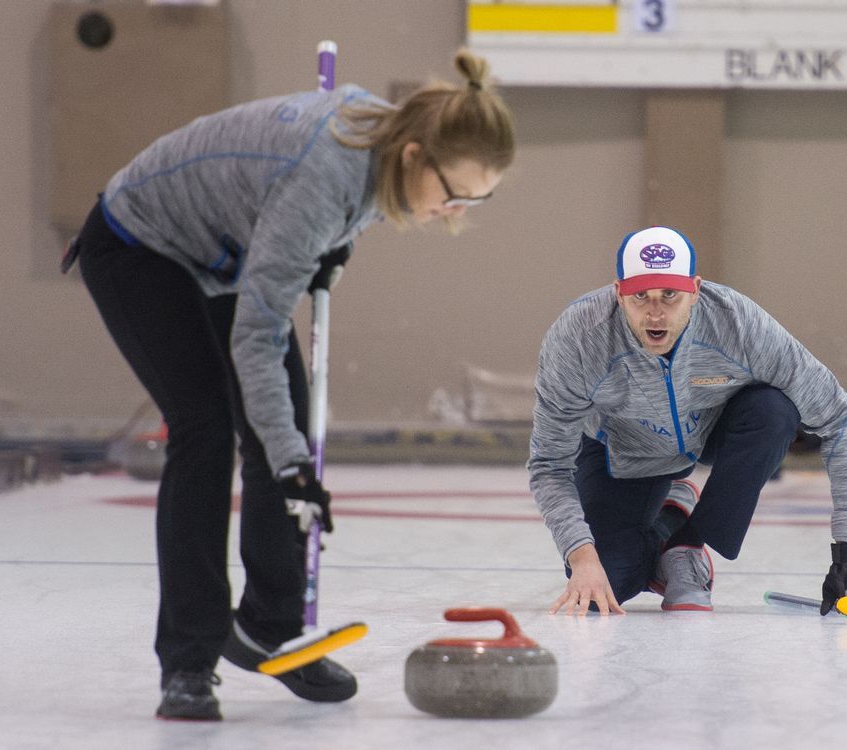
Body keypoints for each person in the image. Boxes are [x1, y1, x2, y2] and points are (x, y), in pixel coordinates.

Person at [70, 49, 514, 720]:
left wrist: (336, 243)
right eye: (454, 192)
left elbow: (324, 222)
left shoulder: (390, 151)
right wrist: (292, 469)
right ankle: (188, 660)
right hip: (141, 244)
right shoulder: (323, 176)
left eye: (478, 199)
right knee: (208, 427)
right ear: (416, 155)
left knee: (286, 422)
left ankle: (268, 629)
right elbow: (258, 335)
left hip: (223, 254)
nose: (456, 210)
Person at [528, 226, 847, 617]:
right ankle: (670, 521)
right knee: (608, 583)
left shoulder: (738, 324)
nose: (655, 313)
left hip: (710, 430)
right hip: (621, 451)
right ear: (618, 292)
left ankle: (689, 540)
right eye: (640, 296)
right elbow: (549, 464)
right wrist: (582, 558)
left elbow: (843, 421)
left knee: (774, 412)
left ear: (695, 289)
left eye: (670, 296)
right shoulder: (577, 338)